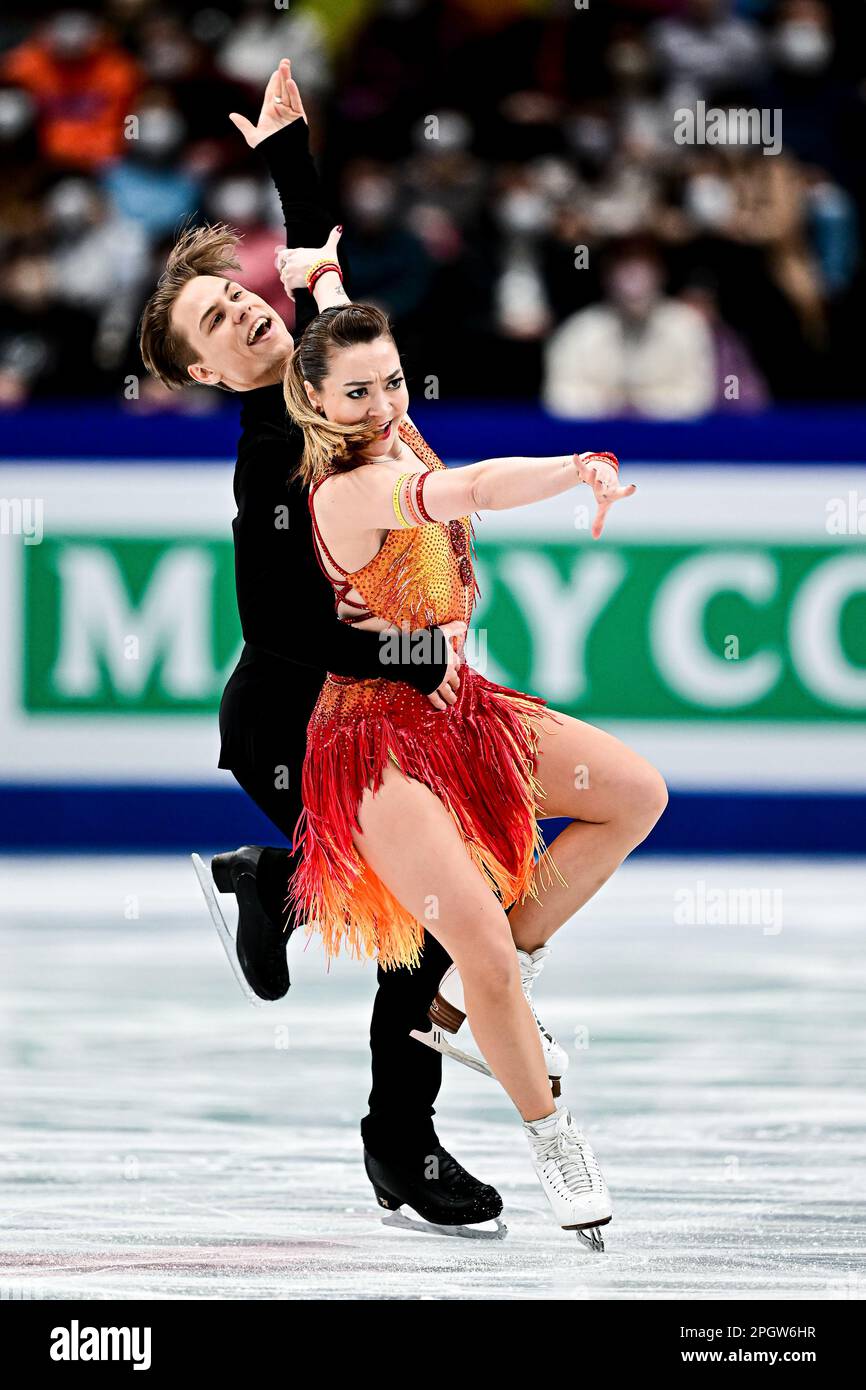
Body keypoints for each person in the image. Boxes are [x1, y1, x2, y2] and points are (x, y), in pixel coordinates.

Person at [138, 61, 502, 1235]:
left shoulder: (307, 372)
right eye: (214, 320)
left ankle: (275, 887)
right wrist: (411, 660)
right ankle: (400, 1143)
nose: (243, 308)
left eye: (235, 294)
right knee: (427, 922)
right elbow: (281, 628)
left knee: (435, 914)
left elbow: (308, 272)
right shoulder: (265, 452)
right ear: (201, 369)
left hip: (359, 710)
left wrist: (288, 154)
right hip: (288, 725)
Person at [275, 253, 668, 1240]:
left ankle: (486, 981)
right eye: (356, 390)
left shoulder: (391, 425)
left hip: (462, 709)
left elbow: (335, 307)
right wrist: (574, 466)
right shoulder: (345, 490)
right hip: (375, 743)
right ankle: (552, 1139)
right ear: (314, 400)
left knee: (631, 792)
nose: (379, 402)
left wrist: (318, 270)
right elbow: (477, 488)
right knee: (478, 941)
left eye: (392, 382)